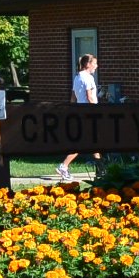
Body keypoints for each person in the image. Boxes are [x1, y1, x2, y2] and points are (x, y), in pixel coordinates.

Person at [55, 53, 97, 182]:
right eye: (94, 63)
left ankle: (101, 168)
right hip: (89, 113)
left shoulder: (77, 77)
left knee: (95, 141)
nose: (96, 66)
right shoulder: (88, 78)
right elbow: (89, 97)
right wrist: (98, 110)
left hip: (80, 113)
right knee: (86, 142)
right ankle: (64, 166)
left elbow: (73, 98)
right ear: (88, 64)